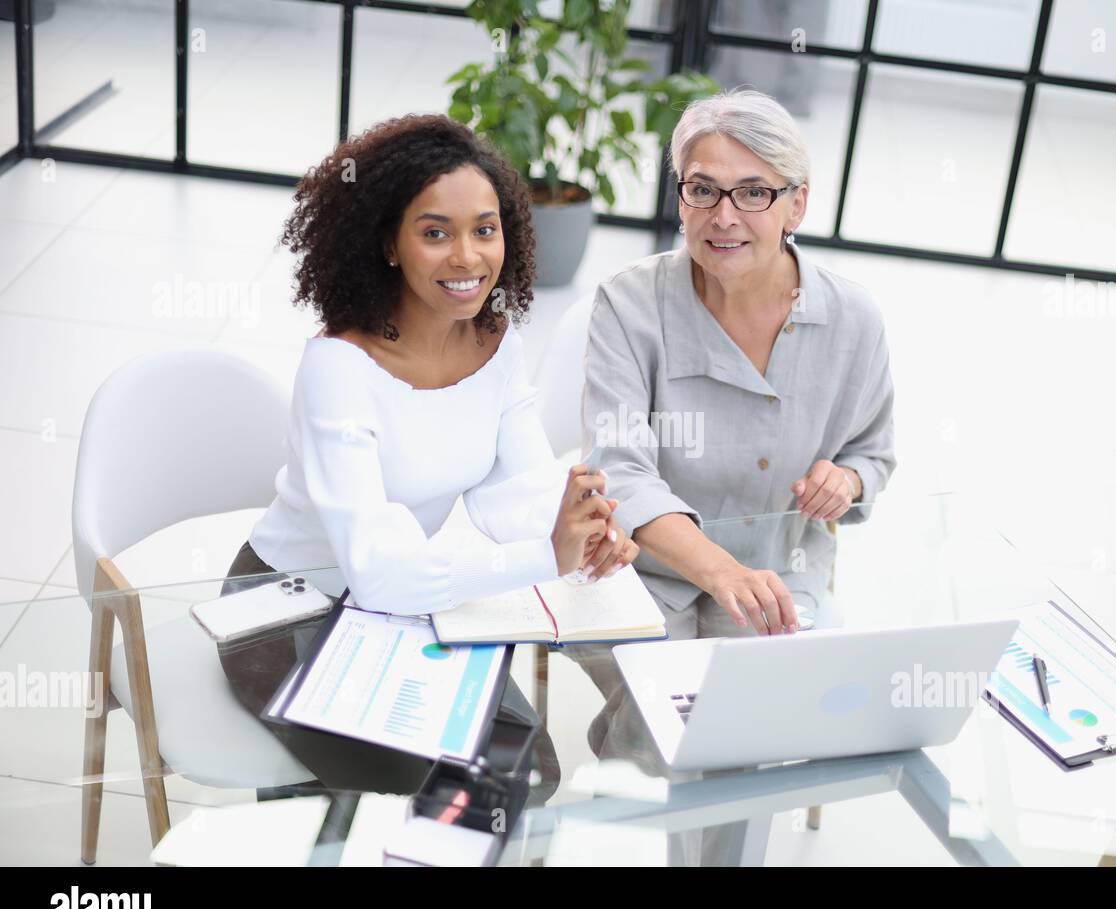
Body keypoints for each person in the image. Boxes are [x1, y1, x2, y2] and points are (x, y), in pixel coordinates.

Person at [216, 114, 637, 799]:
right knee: (441, 784)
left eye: (484, 229)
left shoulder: (497, 343)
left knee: (525, 773)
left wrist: (582, 528)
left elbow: (516, 491)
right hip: (285, 606)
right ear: (389, 243)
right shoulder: (340, 367)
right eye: (436, 233)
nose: (467, 257)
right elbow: (378, 572)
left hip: (396, 606)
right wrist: (546, 555)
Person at [571, 88, 897, 773]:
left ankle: (650, 802)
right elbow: (619, 470)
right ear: (681, 197)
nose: (724, 217)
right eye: (703, 190)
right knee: (661, 718)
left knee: (743, 726)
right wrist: (721, 572)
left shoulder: (853, 318)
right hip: (639, 568)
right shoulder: (628, 304)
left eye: (753, 193)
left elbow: (873, 454)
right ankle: (638, 798)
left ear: (796, 205)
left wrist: (846, 480)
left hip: (779, 570)